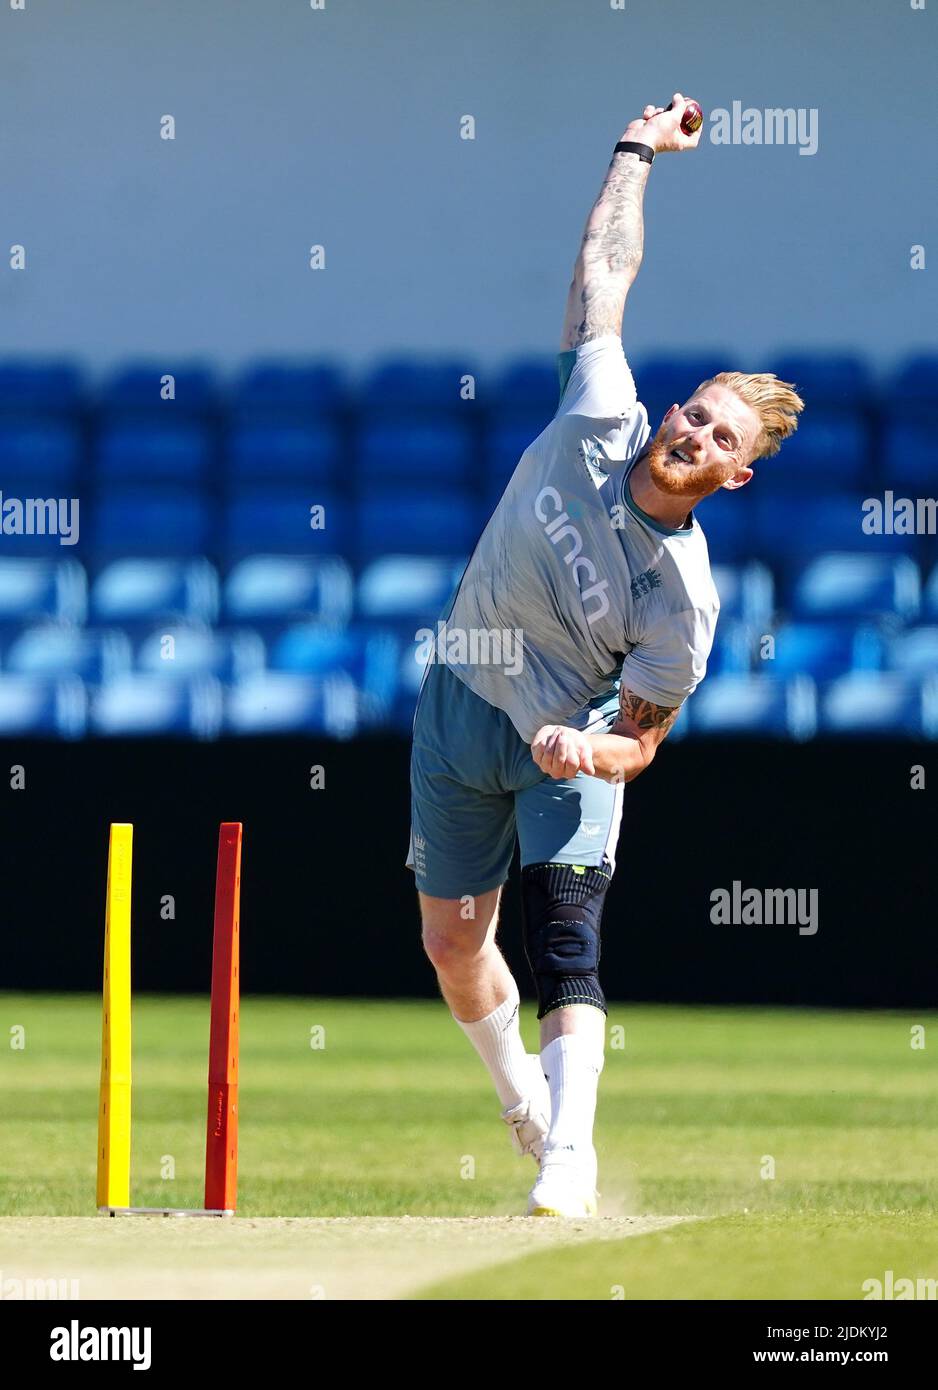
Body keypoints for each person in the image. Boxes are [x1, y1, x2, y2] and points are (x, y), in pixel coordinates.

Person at [406, 94, 804, 1216]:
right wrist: (637, 149)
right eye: (699, 415)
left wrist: (589, 752)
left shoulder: (686, 599)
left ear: (736, 476)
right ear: (675, 409)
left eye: (722, 440)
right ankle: (523, 1110)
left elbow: (643, 740)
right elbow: (603, 269)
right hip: (458, 698)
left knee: (566, 937)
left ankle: (569, 1157)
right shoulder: (599, 409)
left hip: (563, 738)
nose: (695, 435)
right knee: (448, 940)